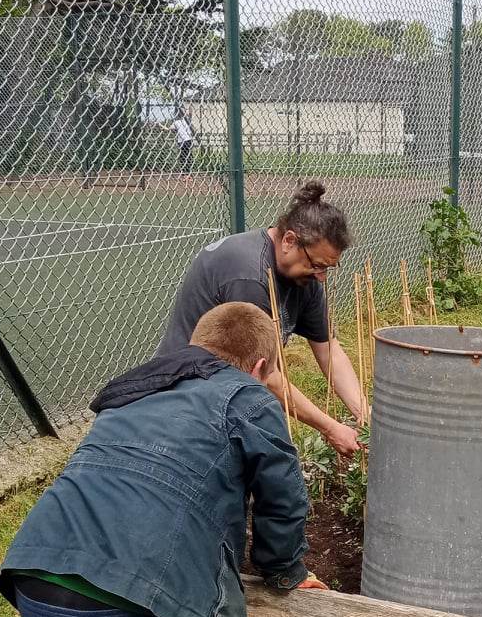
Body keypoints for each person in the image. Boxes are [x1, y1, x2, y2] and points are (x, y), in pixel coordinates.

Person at [0, 302, 325, 617]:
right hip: (124, 616)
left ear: (195, 346)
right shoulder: (248, 398)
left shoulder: (133, 388)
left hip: (35, 592)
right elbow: (283, 499)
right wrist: (283, 571)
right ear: (259, 368)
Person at [157, 181, 367, 457]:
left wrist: (364, 415)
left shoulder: (305, 276)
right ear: (290, 241)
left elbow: (329, 349)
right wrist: (330, 428)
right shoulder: (249, 275)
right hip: (187, 392)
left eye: (328, 268)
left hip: (231, 385)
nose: (322, 276)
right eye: (317, 265)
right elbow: (267, 374)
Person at [172, 107, 195, 174]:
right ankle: (185, 173)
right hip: (181, 141)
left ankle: (188, 173)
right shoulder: (176, 122)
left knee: (187, 156)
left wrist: (186, 110)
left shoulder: (187, 120)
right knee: (183, 157)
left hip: (187, 140)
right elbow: (170, 129)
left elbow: (191, 112)